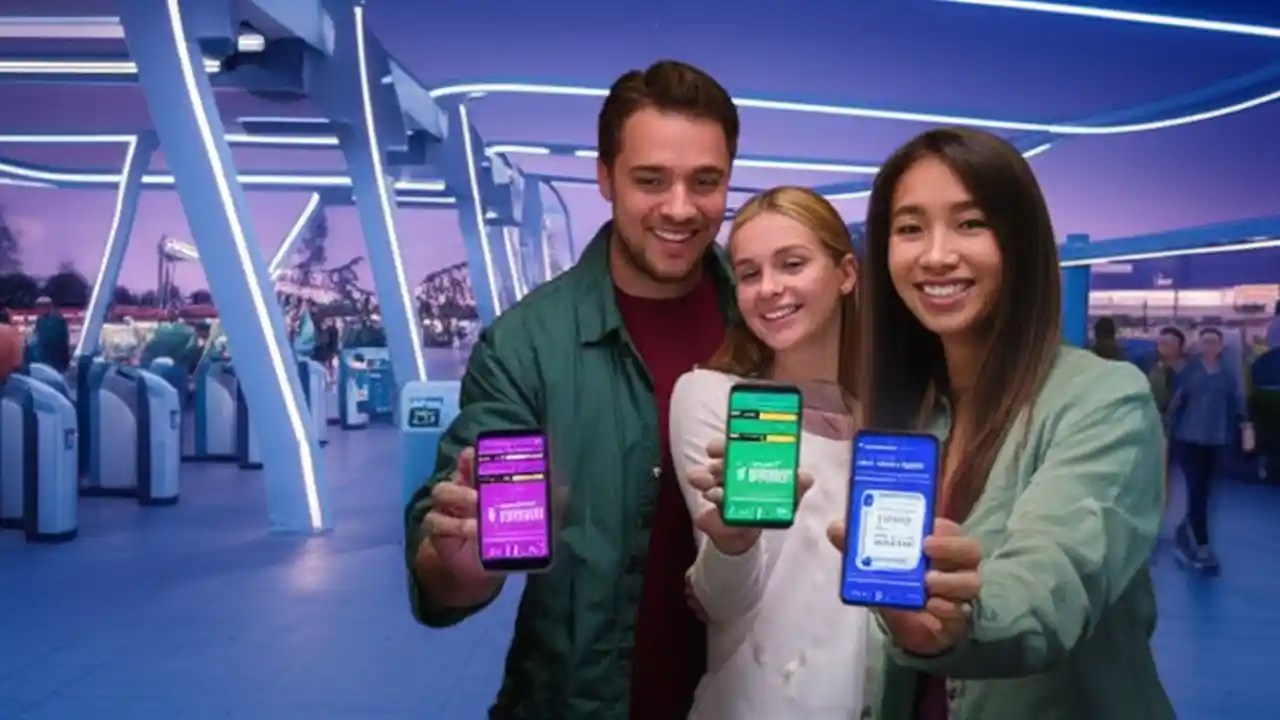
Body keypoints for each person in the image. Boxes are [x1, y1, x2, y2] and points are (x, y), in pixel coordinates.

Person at [404, 60, 740, 719]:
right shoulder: (527, 346)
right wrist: (465, 565)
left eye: (706, 182)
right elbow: (446, 578)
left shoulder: (771, 325)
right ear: (605, 177)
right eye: (651, 180)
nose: (680, 208)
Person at [827, 127, 1172, 718]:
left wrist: (963, 621)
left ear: (1021, 242)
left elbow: (1056, 577)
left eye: (971, 223)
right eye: (909, 228)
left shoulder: (1103, 400)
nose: (936, 255)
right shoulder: (910, 414)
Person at [667, 187, 866, 718]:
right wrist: (733, 543)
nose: (769, 289)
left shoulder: (903, 419)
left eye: (792, 264)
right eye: (749, 273)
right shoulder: (713, 398)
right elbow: (722, 603)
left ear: (846, 274)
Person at [1166, 327, 1253, 574]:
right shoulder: (1189, 371)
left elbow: (1237, 401)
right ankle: (1201, 545)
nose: (1209, 346)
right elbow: (1176, 402)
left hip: (1217, 439)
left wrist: (1246, 425)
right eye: (1204, 341)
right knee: (1197, 489)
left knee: (1204, 491)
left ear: (1221, 344)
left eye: (1213, 341)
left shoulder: (1228, 373)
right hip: (1188, 439)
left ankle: (1187, 532)